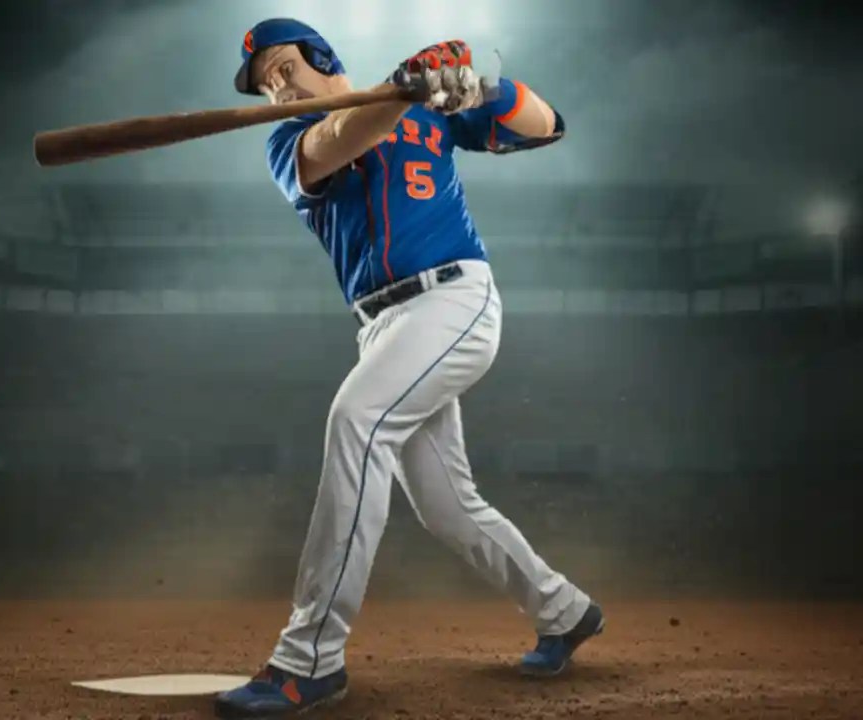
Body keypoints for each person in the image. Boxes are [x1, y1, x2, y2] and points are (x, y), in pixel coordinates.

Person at [214, 18, 604, 719]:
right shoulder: (289, 142)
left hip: (452, 298)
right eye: (264, 84)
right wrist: (403, 87)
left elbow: (547, 126)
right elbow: (340, 138)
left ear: (322, 56)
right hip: (382, 327)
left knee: (357, 422)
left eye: (283, 67)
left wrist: (483, 89)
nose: (277, 89)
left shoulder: (428, 111)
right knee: (446, 505)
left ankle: (309, 660)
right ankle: (564, 610)